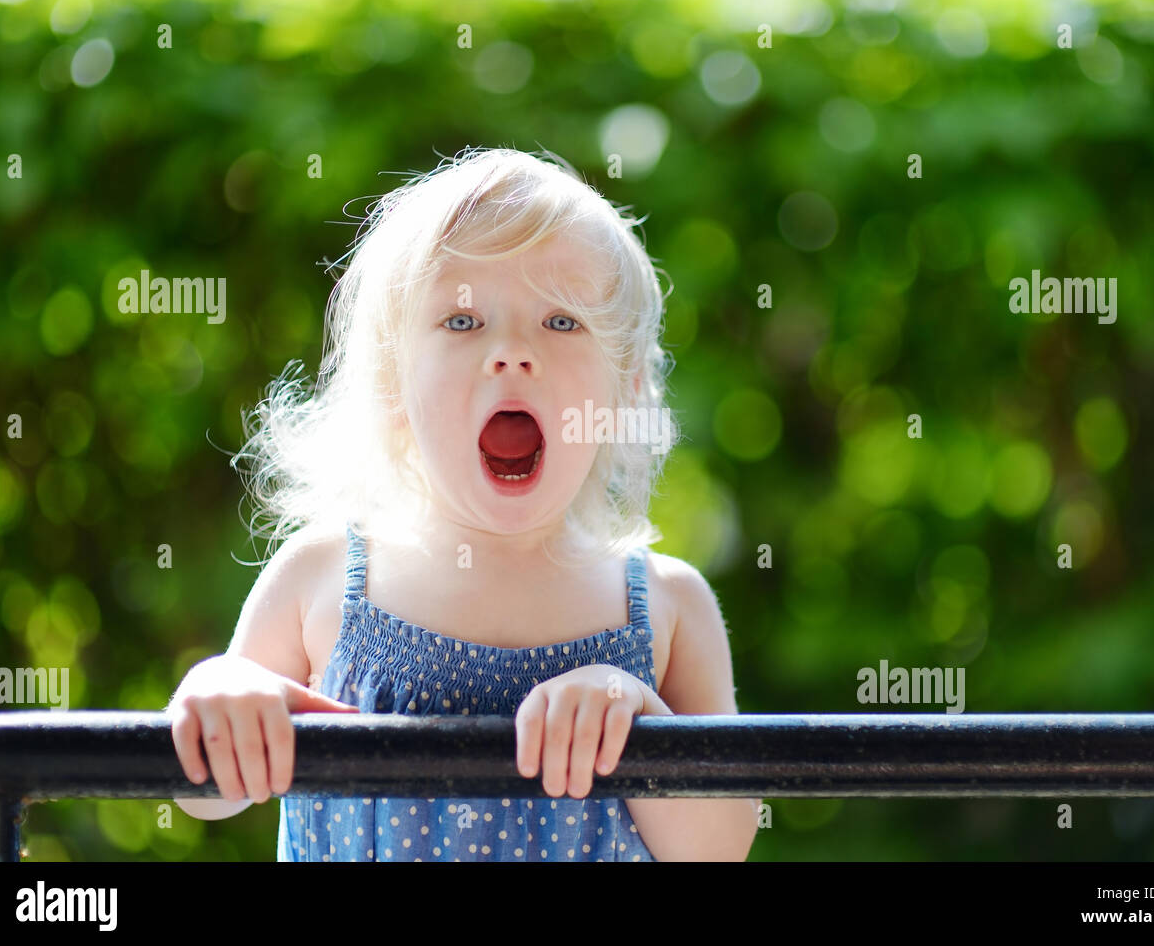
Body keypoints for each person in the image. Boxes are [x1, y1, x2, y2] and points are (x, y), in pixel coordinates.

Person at [167, 146, 758, 861]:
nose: (511, 353)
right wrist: (220, 690)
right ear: (391, 384)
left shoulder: (664, 606)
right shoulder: (322, 576)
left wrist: (640, 716)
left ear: (624, 387)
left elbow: (720, 849)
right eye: (462, 322)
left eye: (563, 321)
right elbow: (204, 791)